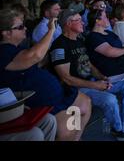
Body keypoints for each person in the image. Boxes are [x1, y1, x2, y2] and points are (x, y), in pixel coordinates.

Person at [49, 9, 124, 140]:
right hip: (78, 90)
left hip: (93, 81)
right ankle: (119, 130)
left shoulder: (79, 41)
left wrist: (102, 77)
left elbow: (88, 64)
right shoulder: (59, 46)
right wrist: (95, 85)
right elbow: (66, 78)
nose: (83, 22)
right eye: (78, 20)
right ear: (68, 23)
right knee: (110, 100)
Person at [0, 9, 91, 141]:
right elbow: (34, 56)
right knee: (70, 126)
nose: (25, 28)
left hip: (57, 95)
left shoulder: (15, 48)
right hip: (42, 102)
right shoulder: (3, 52)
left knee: (85, 102)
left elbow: (31, 63)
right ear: (6, 33)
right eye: (20, 27)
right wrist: (51, 31)